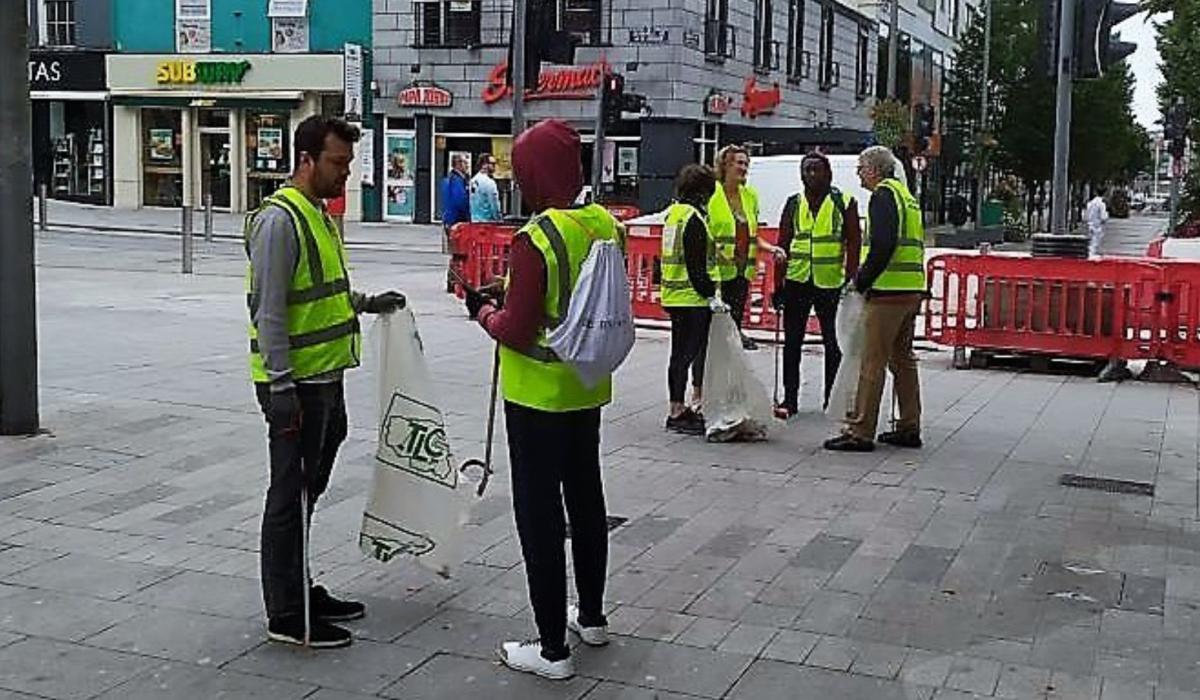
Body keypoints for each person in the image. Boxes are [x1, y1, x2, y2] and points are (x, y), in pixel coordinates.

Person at [464, 120, 619, 681]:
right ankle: (593, 618)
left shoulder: (537, 237)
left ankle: (552, 648)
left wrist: (481, 311)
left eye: (522, 170)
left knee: (539, 514)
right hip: (586, 387)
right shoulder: (603, 223)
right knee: (586, 499)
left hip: (536, 397)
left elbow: (516, 327)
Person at [245, 115, 406, 648]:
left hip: (325, 377)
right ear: (306, 159)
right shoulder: (279, 221)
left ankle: (300, 583)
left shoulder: (318, 214)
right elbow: (269, 311)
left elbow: (321, 291)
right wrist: (282, 387)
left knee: (307, 489)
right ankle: (286, 612)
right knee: (288, 493)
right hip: (296, 383)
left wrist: (365, 304)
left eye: (349, 163)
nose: (346, 173)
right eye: (338, 163)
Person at [824, 146, 924, 453]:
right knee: (903, 359)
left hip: (887, 292)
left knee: (872, 360)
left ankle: (860, 430)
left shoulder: (883, 196)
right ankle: (909, 425)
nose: (857, 173)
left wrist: (861, 281)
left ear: (874, 170)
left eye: (860, 167)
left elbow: (883, 244)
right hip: (911, 289)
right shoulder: (907, 197)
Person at [772, 152, 862, 417]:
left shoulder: (844, 202)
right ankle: (790, 399)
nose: (811, 175)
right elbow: (782, 245)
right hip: (797, 281)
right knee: (792, 342)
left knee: (833, 343)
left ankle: (830, 399)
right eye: (807, 170)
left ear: (828, 173)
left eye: (816, 170)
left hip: (830, 282)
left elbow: (854, 242)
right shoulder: (793, 203)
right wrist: (778, 286)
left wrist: (851, 279)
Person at [709, 145, 786, 350]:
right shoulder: (711, 194)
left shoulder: (750, 195)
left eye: (746, 164)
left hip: (743, 270)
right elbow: (704, 233)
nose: (744, 168)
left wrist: (772, 249)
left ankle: (733, 353)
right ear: (725, 165)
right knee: (714, 326)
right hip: (716, 273)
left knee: (734, 318)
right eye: (739, 163)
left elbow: (753, 235)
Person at [661, 164, 719, 435]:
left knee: (677, 355)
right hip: (691, 299)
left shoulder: (674, 214)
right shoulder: (693, 218)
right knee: (687, 354)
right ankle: (677, 412)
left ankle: (676, 406)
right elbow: (696, 266)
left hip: (674, 294)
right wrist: (711, 294)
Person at [470, 153, 504, 222]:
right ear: (484, 165)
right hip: (488, 223)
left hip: (474, 221)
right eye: (493, 164)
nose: (494, 167)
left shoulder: (472, 181)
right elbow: (494, 205)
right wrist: (499, 220)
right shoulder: (490, 183)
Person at [1085, 186, 1109, 257]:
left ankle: (1090, 253)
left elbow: (1087, 215)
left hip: (1090, 224)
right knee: (1095, 241)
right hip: (1097, 225)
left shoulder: (1090, 203)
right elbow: (1103, 217)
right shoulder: (1101, 204)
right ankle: (1092, 254)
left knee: (1090, 240)